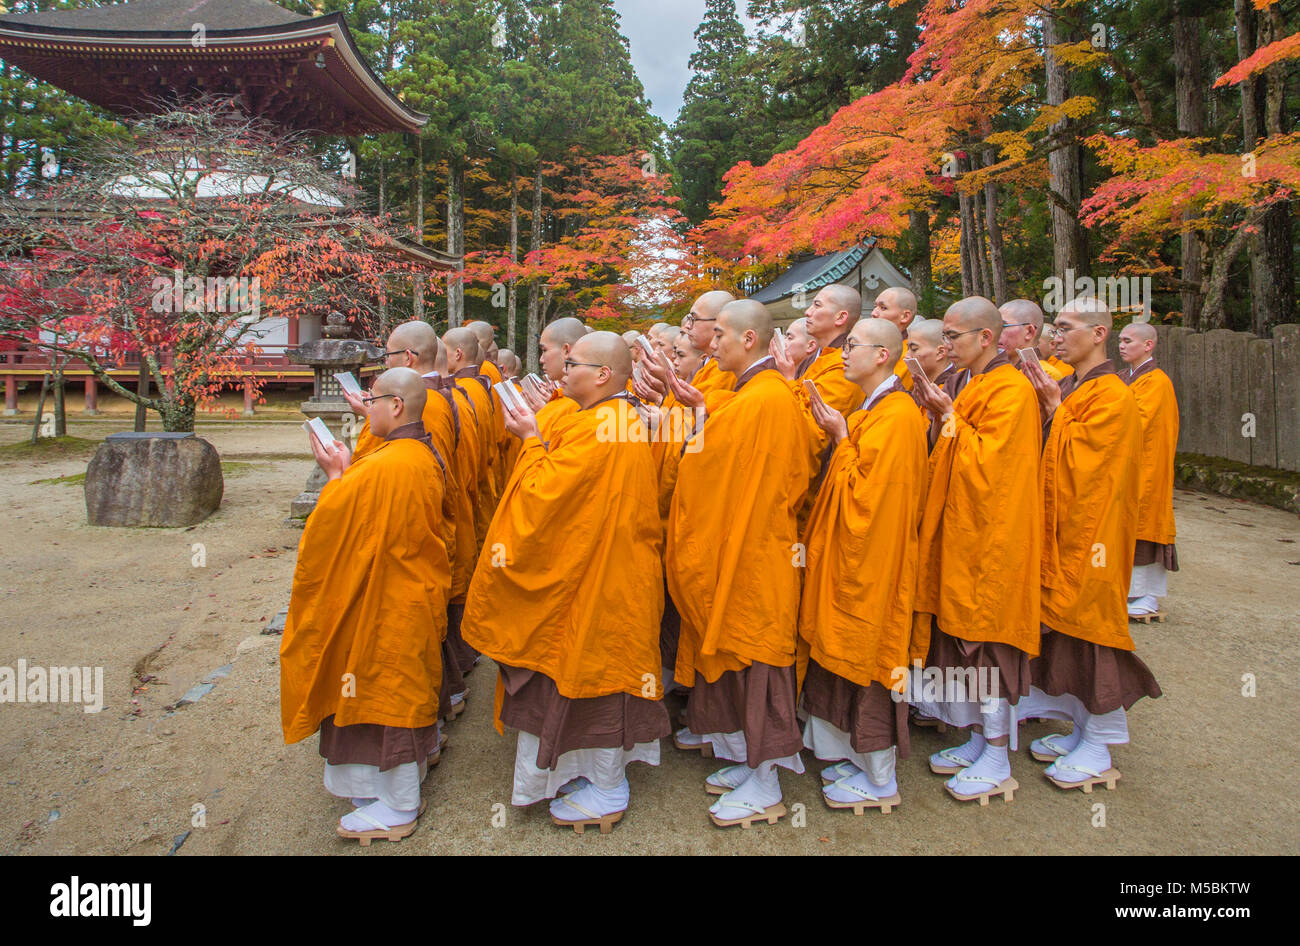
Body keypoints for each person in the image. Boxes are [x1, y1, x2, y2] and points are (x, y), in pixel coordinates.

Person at [463, 332, 669, 833]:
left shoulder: (604, 426)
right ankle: (589, 778)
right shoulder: (610, 419)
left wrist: (532, 441)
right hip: (607, 576)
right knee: (585, 672)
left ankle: (607, 787)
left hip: (601, 583)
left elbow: (542, 500)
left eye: (570, 363)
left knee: (595, 676)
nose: (561, 371)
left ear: (601, 375)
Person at [281, 367, 451, 844]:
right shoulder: (418, 453)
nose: (364, 408)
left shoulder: (387, 465)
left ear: (395, 406)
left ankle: (398, 805)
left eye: (371, 400)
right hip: (408, 597)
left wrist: (336, 479)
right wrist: (350, 472)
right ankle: (389, 788)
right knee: (395, 689)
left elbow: (326, 535)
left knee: (382, 695)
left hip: (384, 607)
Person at [665, 299, 816, 828]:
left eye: (721, 335)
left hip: (756, 557)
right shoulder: (749, 394)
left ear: (749, 340)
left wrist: (695, 428)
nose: (712, 343)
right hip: (744, 550)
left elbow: (728, 470)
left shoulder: (766, 399)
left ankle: (767, 784)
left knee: (761, 666)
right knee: (738, 658)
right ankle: (747, 763)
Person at [1018, 298, 1162, 791]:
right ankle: (1080, 725)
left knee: (1094, 628)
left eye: (1065, 328)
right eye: (1054, 328)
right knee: (1064, 626)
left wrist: (1056, 411)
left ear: (1099, 333)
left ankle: (1102, 739)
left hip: (1096, 535)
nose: (1055, 337)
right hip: (1065, 529)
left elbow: (1095, 464)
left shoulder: (1113, 395)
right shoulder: (1074, 385)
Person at [910, 296, 1043, 804]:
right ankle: (976, 740)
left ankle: (997, 756)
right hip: (967, 533)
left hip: (995, 540)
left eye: (953, 337)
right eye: (943, 337)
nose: (946, 346)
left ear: (986, 338)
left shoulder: (1011, 389)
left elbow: (991, 467)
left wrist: (949, 419)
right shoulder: (976, 382)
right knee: (966, 642)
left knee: (989, 645)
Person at [799, 318, 928, 814]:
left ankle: (880, 779)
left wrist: (841, 436)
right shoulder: (876, 409)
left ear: (881, 355)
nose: (843, 354)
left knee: (868, 652)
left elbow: (874, 502)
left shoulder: (896, 415)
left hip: (875, 562)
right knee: (839, 646)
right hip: (853, 556)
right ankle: (849, 756)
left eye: (851, 346)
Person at [343, 323, 473, 715]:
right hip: (437, 521)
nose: (383, 361)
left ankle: (425, 721)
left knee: (413, 632)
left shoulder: (425, 406)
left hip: (408, 539)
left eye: (387, 355)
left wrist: (340, 477)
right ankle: (443, 701)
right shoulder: (443, 397)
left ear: (408, 358)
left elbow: (393, 472)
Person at [1117, 322, 1179, 617]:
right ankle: (1124, 591)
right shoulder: (1122, 378)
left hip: (1147, 467)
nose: (1122, 345)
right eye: (1120, 340)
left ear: (1148, 345)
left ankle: (1146, 596)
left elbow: (1135, 420)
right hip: (1123, 466)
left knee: (1144, 524)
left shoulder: (1156, 381)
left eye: (1129, 341)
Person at [771, 284, 865, 458]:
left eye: (817, 305)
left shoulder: (844, 366)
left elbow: (814, 432)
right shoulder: (821, 358)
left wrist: (788, 379)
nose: (808, 311)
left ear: (840, 317)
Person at [521, 317, 585, 438]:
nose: (541, 360)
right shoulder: (571, 399)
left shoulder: (576, 403)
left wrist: (528, 433)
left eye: (544, 350)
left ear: (566, 350)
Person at [998, 299, 1069, 381]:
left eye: (1003, 326)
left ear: (1029, 332)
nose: (995, 333)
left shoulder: (1045, 374)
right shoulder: (999, 370)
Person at [904, 318, 955, 413]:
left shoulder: (954, 389)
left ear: (940, 352)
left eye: (914, 349)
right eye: (908, 348)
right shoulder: (920, 386)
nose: (907, 356)